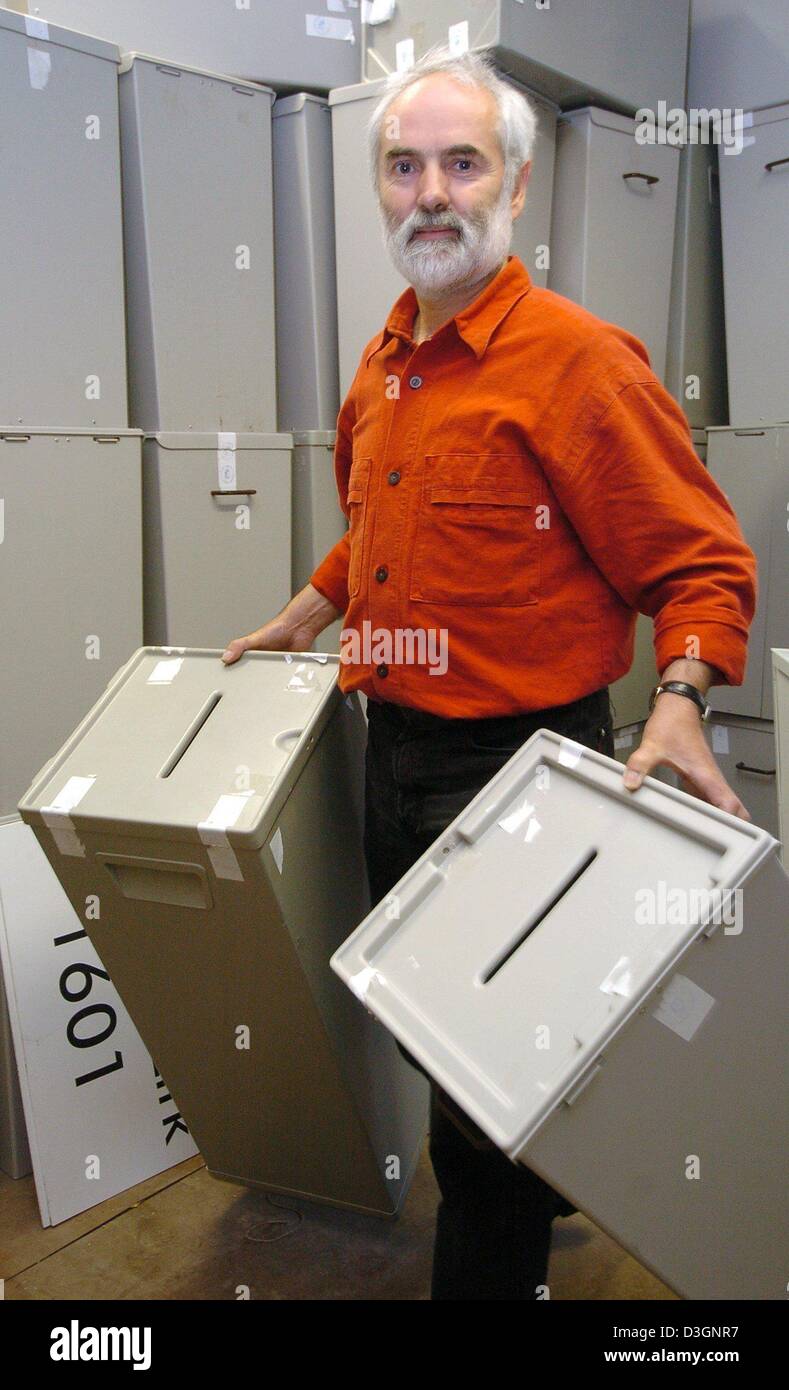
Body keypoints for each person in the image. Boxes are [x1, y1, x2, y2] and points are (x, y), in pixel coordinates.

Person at [223, 47, 756, 1299]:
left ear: (516, 189)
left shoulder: (582, 365)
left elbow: (703, 564)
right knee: (452, 1044)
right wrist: (308, 611)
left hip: (521, 772)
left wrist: (680, 696)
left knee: (476, 1113)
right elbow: (382, 524)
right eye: (404, 167)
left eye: (463, 164)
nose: (431, 192)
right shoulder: (386, 360)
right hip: (393, 754)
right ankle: (534, 1164)